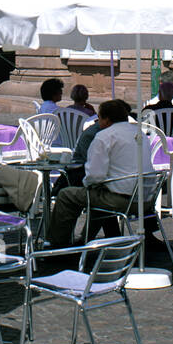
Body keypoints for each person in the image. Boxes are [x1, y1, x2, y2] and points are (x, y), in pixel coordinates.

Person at [47, 100, 155, 248]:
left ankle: (57, 244)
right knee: (97, 194)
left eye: (99, 117)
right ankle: (86, 240)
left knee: (67, 195)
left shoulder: (104, 136)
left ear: (107, 120)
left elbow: (94, 176)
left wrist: (87, 184)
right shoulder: (139, 134)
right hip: (146, 199)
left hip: (122, 200)